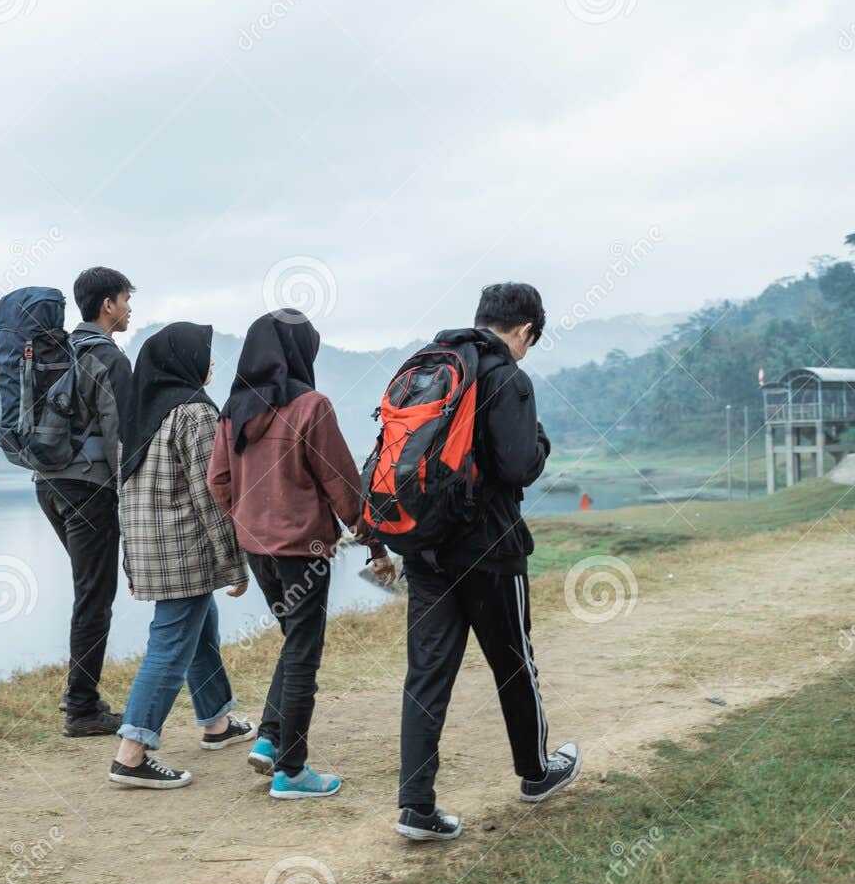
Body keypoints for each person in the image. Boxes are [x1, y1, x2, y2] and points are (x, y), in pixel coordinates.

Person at [395, 282, 581, 842]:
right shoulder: (508, 378)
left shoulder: (430, 367)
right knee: (514, 663)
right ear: (525, 330)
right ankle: (535, 773)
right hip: (489, 551)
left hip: (425, 547)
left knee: (427, 673)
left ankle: (417, 807)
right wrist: (542, 440)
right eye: (532, 340)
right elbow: (520, 466)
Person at [207, 309, 392, 800]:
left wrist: (250, 520)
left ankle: (269, 739)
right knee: (304, 652)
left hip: (257, 549)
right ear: (299, 350)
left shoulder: (233, 411)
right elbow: (343, 485)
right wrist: (374, 541)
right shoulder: (312, 406)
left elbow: (217, 482)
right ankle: (293, 770)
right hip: (303, 549)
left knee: (294, 640)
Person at [108, 322, 255, 789]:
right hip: (186, 552)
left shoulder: (138, 415)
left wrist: (132, 563)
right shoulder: (195, 414)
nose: (210, 362)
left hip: (153, 554)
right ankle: (131, 754)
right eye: (205, 353)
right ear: (184, 361)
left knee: (199, 624)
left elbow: (125, 499)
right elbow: (212, 494)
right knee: (170, 644)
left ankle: (215, 721)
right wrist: (236, 561)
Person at [34, 267, 136, 737]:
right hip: (87, 490)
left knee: (87, 591)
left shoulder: (59, 350)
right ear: (107, 305)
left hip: (48, 485)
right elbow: (120, 437)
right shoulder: (109, 359)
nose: (129, 308)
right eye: (125, 299)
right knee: (94, 597)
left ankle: (81, 695)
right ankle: (81, 708)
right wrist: (132, 497)